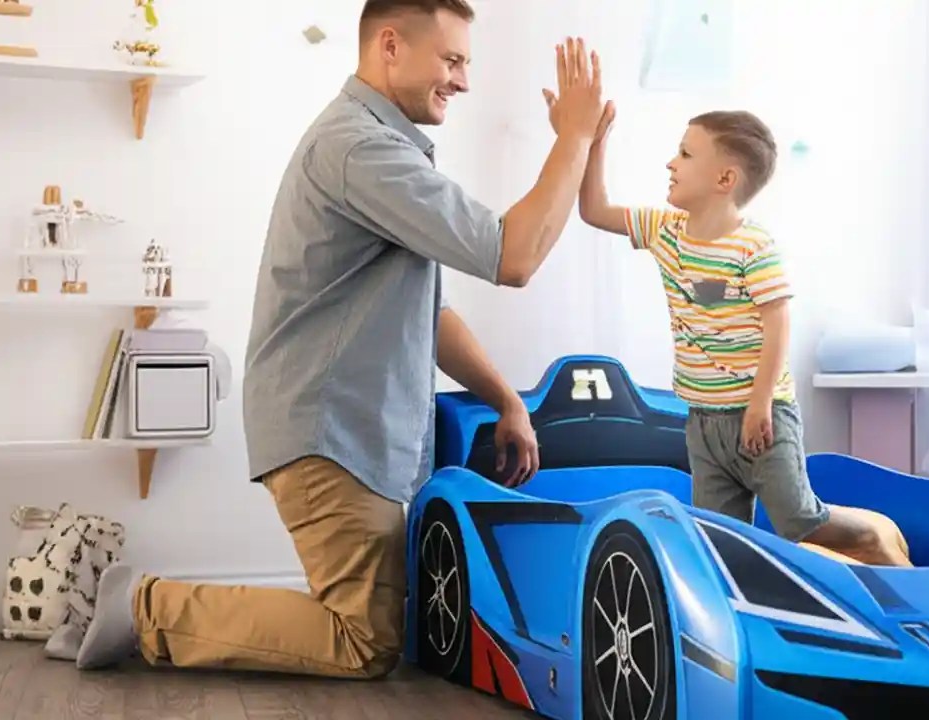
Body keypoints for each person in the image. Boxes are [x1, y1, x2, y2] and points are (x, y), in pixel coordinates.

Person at [68, 0, 610, 676]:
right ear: (390, 45)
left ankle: (146, 607)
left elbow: (430, 315)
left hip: (345, 428)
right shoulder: (360, 148)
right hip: (332, 431)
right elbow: (514, 255)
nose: (463, 82)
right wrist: (575, 138)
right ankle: (146, 608)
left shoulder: (378, 150)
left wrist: (508, 400)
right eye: (451, 60)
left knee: (379, 623)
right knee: (364, 641)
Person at [573, 104, 912, 567]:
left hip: (762, 416)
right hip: (704, 420)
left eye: (686, 154)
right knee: (719, 536)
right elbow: (593, 210)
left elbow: (777, 324)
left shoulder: (752, 246)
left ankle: (873, 534)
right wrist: (594, 143)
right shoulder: (664, 231)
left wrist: (759, 403)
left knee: (798, 520)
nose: (671, 163)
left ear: (724, 179)